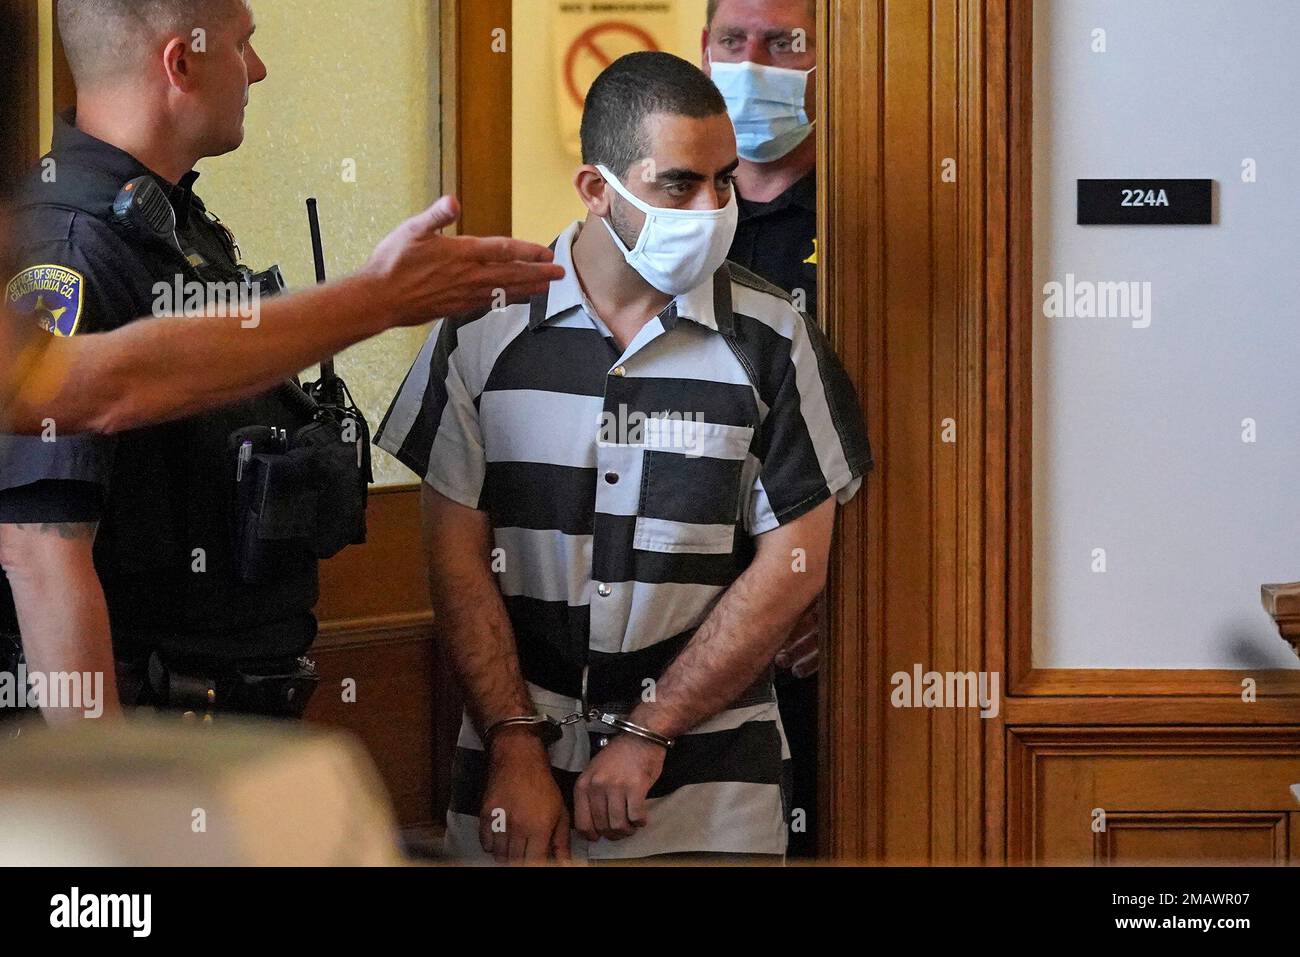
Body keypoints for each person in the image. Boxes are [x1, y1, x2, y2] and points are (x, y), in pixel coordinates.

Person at [0, 0, 565, 727]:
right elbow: (39, 556)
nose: (259, 71)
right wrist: (107, 781)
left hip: (225, 722)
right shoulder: (70, 247)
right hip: (151, 737)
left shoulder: (170, 223)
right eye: (243, 45)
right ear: (181, 61)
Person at [377, 51, 871, 863]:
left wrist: (650, 730)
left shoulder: (777, 340)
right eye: (679, 184)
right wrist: (514, 742)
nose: (712, 208)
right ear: (596, 189)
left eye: (724, 180)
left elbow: (794, 565)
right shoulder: (482, 328)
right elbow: (455, 559)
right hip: (515, 783)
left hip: (714, 793)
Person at [703, 0, 827, 857]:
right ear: (702, 52)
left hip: (828, 636)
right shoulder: (676, 223)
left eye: (785, 43)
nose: (753, 63)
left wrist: (839, 591)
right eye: (733, 41)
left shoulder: (863, 212)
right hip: (677, 617)